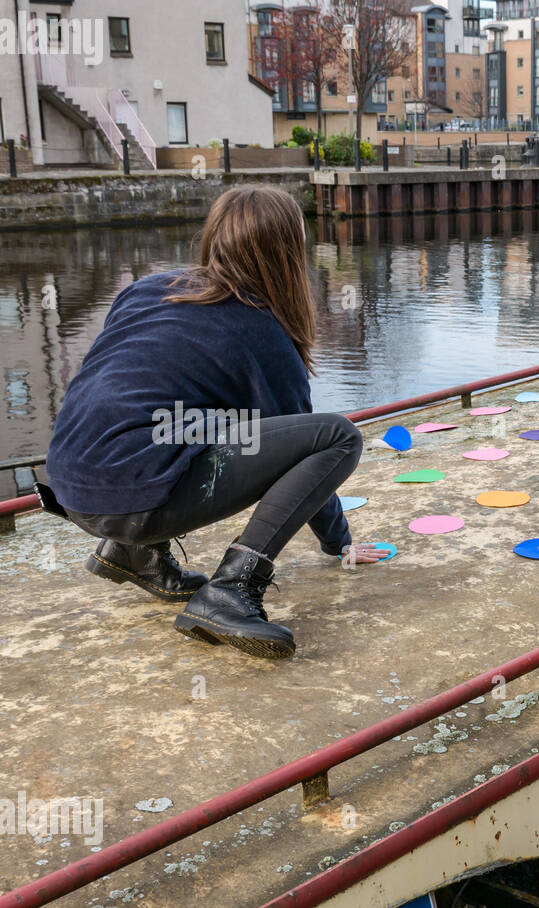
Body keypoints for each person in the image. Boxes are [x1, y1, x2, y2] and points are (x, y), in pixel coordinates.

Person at [44, 185, 386, 660]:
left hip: (69, 483)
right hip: (129, 497)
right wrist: (340, 543)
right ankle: (231, 591)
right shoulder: (261, 329)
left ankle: (134, 553)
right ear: (288, 253)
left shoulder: (146, 289)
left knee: (186, 420)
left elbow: (126, 392)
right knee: (338, 435)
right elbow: (309, 445)